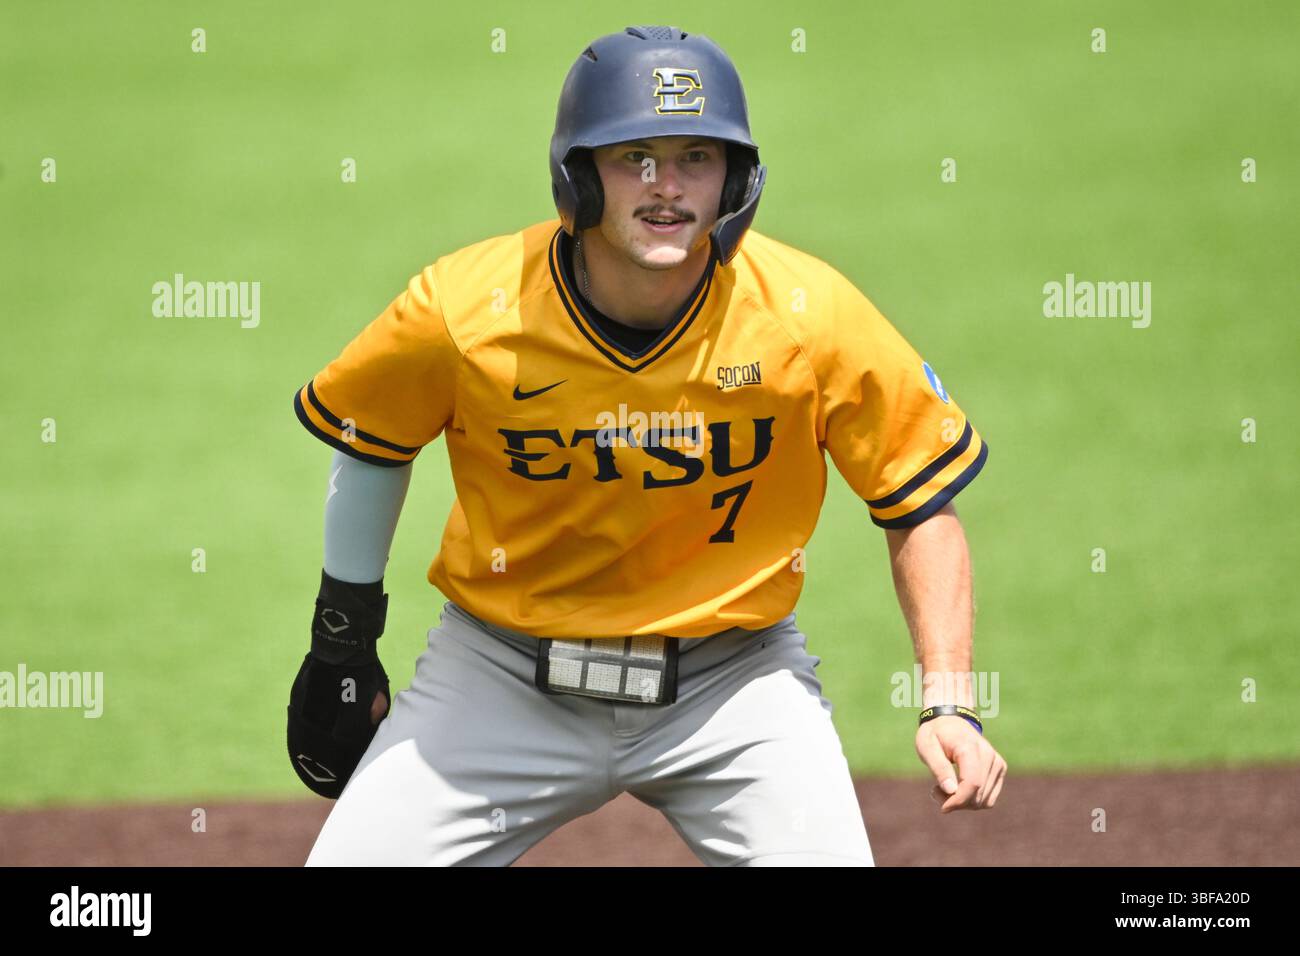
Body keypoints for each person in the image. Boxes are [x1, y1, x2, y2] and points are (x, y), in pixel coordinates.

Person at [287, 24, 1005, 867]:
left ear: (737, 178)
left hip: (733, 685)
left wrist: (949, 702)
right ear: (578, 175)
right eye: (636, 156)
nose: (668, 188)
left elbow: (918, 499)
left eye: (697, 156)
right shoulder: (466, 308)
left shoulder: (808, 315)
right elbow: (374, 439)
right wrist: (342, 637)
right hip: (498, 674)